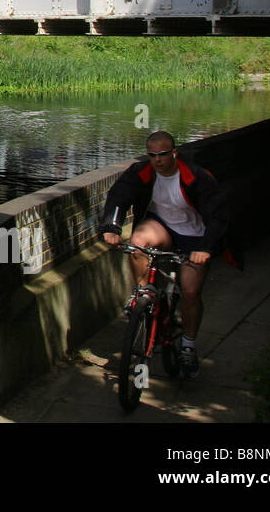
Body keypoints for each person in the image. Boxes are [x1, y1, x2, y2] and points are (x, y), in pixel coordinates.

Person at [98, 130, 238, 379]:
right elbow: (119, 195)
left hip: (195, 236)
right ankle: (144, 294)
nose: (157, 160)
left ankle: (188, 345)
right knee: (139, 241)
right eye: (152, 155)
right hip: (161, 226)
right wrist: (111, 227)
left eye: (162, 154)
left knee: (191, 292)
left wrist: (205, 248)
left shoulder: (197, 178)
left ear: (174, 152)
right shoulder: (141, 172)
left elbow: (218, 215)